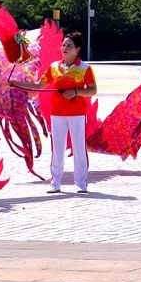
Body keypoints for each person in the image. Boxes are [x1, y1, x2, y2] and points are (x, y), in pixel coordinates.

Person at [12, 31, 95, 193]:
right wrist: (16, 83)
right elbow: (39, 86)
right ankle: (55, 182)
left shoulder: (85, 68)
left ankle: (81, 182)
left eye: (69, 46)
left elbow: (93, 90)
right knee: (57, 149)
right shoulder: (54, 67)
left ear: (77, 50)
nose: (64, 48)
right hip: (57, 114)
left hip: (77, 114)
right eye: (63, 45)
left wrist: (76, 92)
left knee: (79, 148)